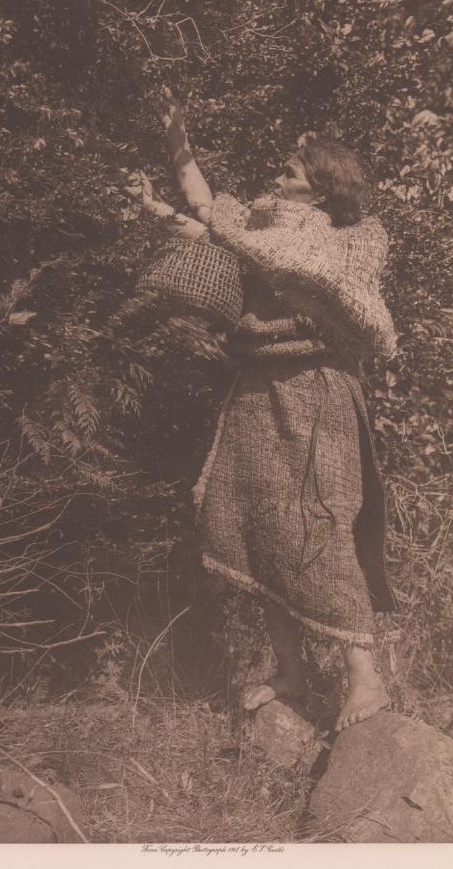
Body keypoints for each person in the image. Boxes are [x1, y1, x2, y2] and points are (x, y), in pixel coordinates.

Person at [123, 91, 399, 732]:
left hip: (316, 391)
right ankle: (291, 672)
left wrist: (218, 222)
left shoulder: (340, 244)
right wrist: (175, 145)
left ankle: (367, 678)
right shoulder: (259, 228)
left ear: (321, 193)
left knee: (317, 526)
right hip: (256, 390)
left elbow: (251, 244)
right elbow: (206, 217)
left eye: (296, 169)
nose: (283, 169)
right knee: (250, 522)